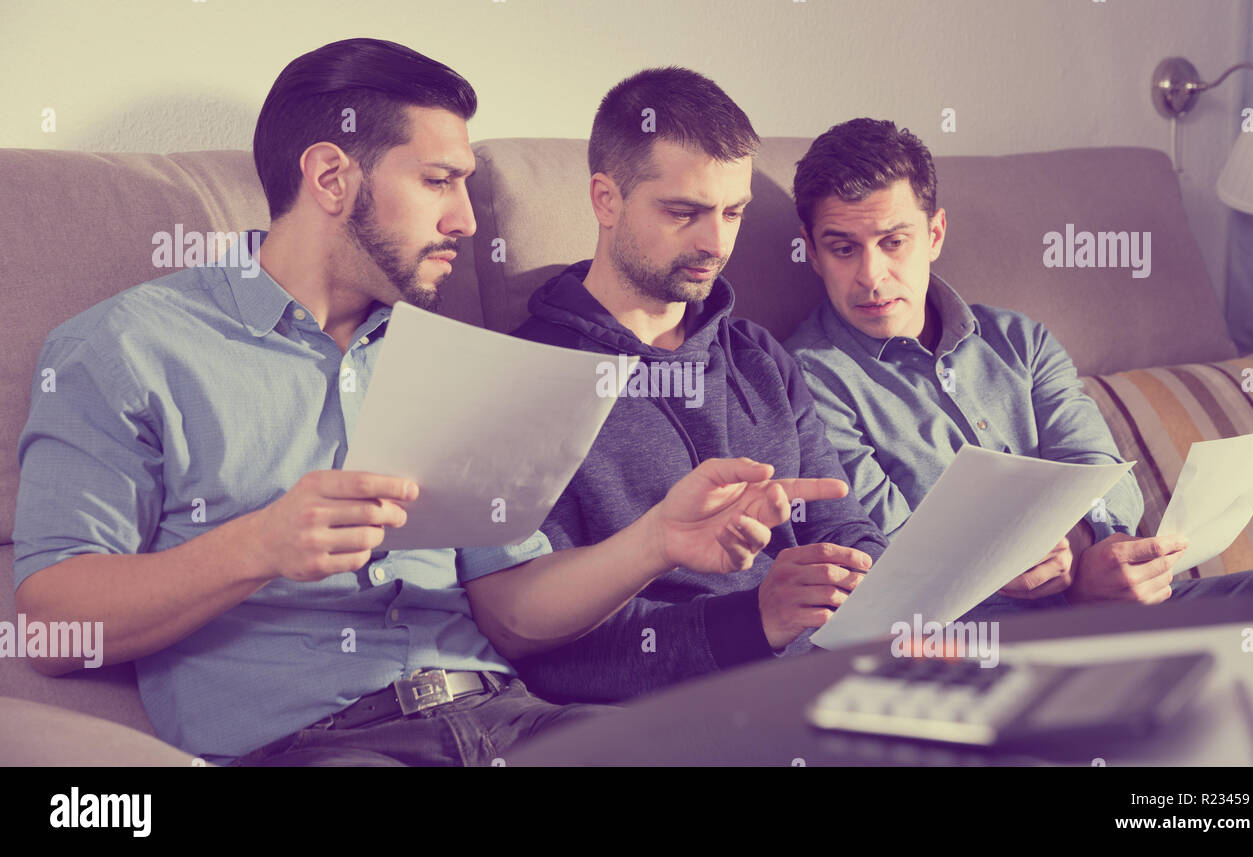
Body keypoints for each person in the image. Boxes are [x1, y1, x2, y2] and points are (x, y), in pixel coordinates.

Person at [12, 39, 843, 767]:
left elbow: (513, 610)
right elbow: (49, 627)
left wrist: (657, 540)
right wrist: (256, 545)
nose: (468, 218)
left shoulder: (445, 359)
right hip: (317, 743)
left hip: (511, 721)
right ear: (332, 176)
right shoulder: (128, 348)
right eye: (440, 181)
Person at [782, 117, 1253, 613]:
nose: (871, 276)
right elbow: (884, 550)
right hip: (976, 636)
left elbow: (1102, 469)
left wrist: (1083, 549)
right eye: (843, 248)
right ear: (814, 253)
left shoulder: (1021, 341)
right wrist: (1014, 566)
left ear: (934, 235)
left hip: (1105, 608)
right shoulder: (806, 377)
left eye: (893, 242)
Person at [511, 68, 888, 705]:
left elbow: (844, 526)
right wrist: (753, 624)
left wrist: (868, 578)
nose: (716, 243)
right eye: (684, 212)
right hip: (681, 715)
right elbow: (552, 653)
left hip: (833, 682)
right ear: (606, 199)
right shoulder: (528, 381)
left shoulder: (759, 358)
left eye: (733, 213)